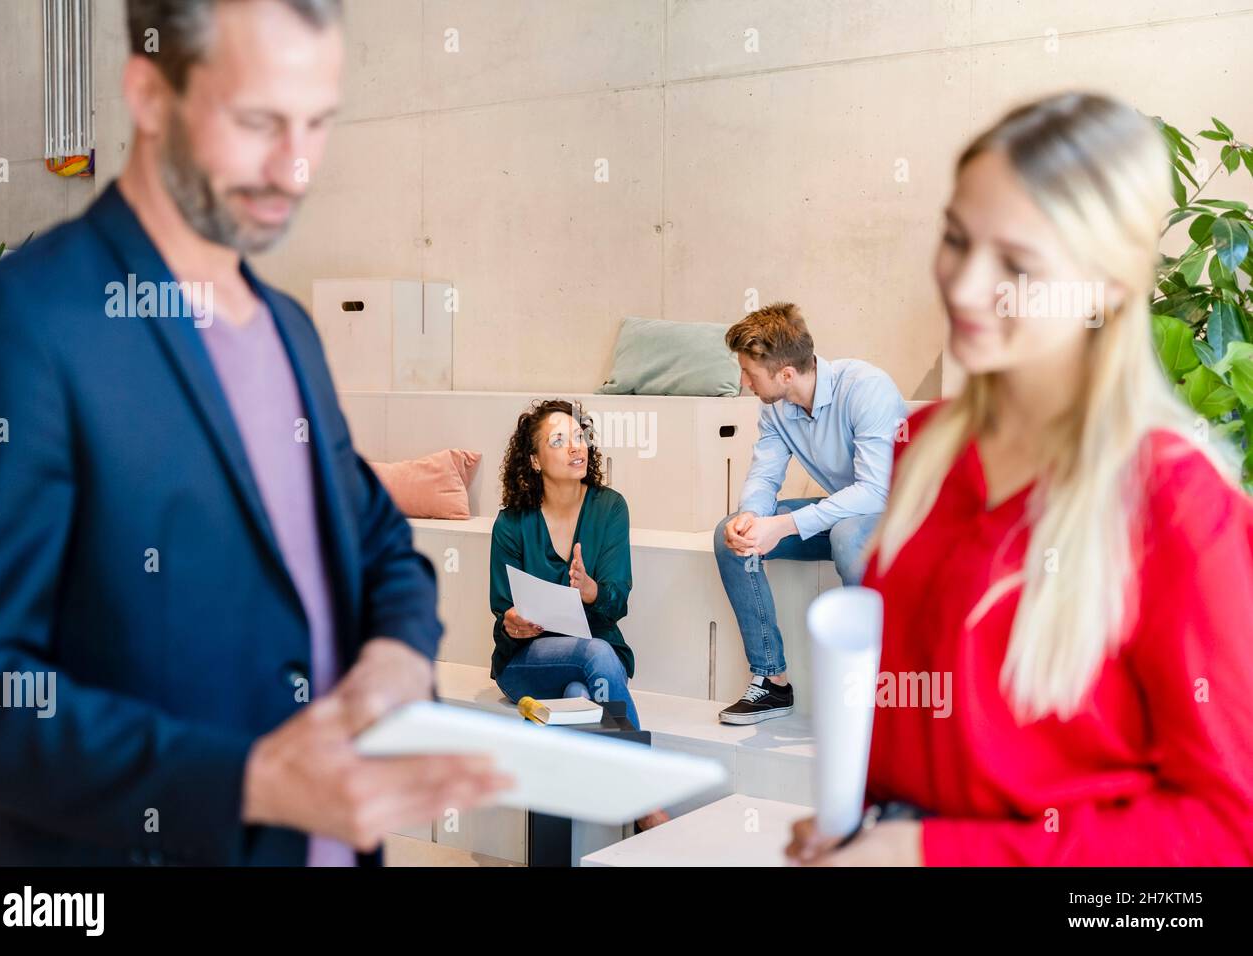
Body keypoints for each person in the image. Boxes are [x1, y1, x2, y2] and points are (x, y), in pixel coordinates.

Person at [0, 0, 508, 866]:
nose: (294, 165)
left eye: (316, 123)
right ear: (148, 94)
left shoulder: (290, 330)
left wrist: (400, 654)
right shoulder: (26, 321)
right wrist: (246, 779)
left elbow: (379, 544)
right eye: (257, 120)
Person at [787, 92, 1253, 867]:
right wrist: (862, 826)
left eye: (1017, 264)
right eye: (955, 239)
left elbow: (1227, 837)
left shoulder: (1179, 507)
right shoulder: (923, 449)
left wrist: (936, 854)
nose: (965, 288)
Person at [714, 304, 906, 724]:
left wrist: (781, 525)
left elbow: (876, 492)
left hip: (900, 517)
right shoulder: (775, 406)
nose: (744, 383)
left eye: (751, 373)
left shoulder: (867, 388)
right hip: (847, 512)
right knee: (728, 537)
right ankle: (772, 682)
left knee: (849, 536)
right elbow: (765, 477)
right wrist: (751, 518)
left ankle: (881, 687)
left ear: (786, 373)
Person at [488, 400, 668, 831]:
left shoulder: (610, 508)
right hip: (525, 663)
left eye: (580, 436)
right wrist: (512, 621)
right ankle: (645, 802)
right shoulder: (511, 523)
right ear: (533, 460)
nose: (576, 447)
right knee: (595, 655)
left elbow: (617, 598)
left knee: (578, 692)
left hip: (595, 660)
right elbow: (500, 605)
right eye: (559, 440)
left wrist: (591, 592)